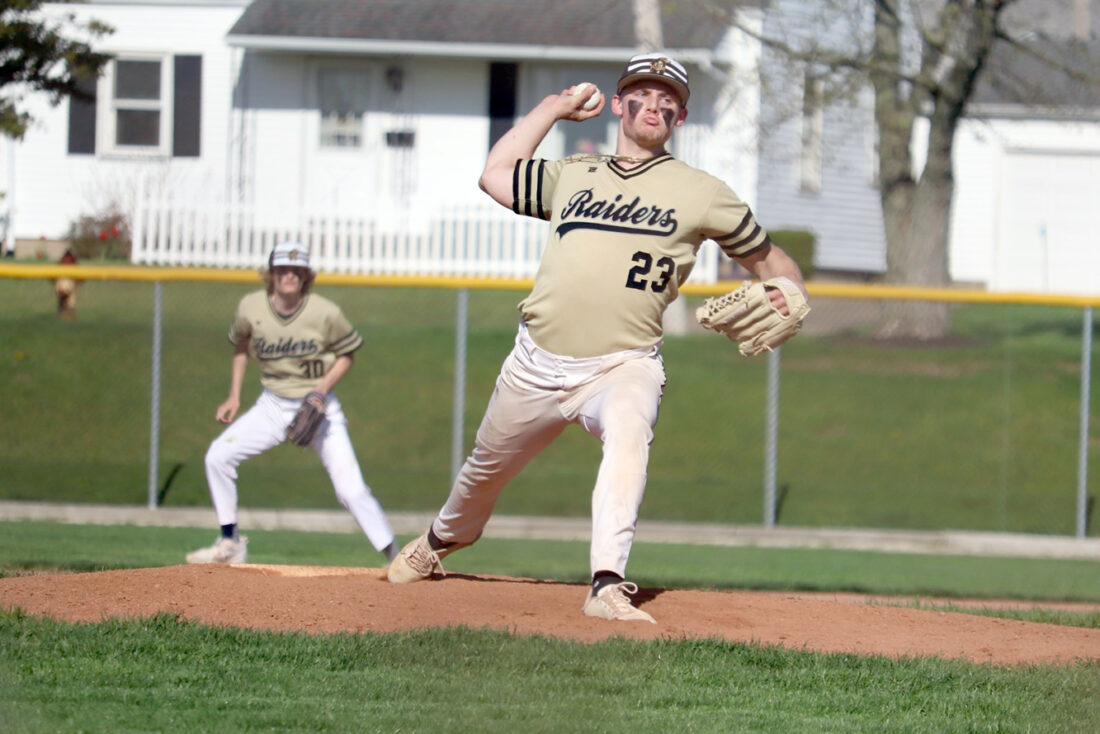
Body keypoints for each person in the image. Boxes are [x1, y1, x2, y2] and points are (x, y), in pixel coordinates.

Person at [387, 53, 809, 623]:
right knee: (484, 470)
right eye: (642, 94)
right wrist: (552, 108)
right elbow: (495, 175)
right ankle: (442, 539)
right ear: (618, 105)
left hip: (623, 363)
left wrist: (792, 290)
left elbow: (769, 259)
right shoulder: (572, 174)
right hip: (535, 363)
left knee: (630, 433)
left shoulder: (702, 191)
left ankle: (607, 583)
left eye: (668, 100)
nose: (654, 105)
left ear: (681, 117)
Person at [187, 241, 399, 566]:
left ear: (305, 276)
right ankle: (230, 543)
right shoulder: (251, 307)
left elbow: (347, 354)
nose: (289, 276)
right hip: (272, 406)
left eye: (297, 271)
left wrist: (321, 390)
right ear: (271, 274)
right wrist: (233, 395)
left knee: (351, 490)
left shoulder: (325, 312)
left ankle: (396, 557)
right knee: (218, 456)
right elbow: (241, 345)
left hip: (320, 409)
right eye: (283, 269)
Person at [54, 248, 79, 319]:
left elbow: (79, 278)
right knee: (65, 294)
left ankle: (68, 312)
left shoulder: (72, 264)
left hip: (69, 282)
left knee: (70, 298)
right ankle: (63, 312)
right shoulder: (61, 265)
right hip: (64, 282)